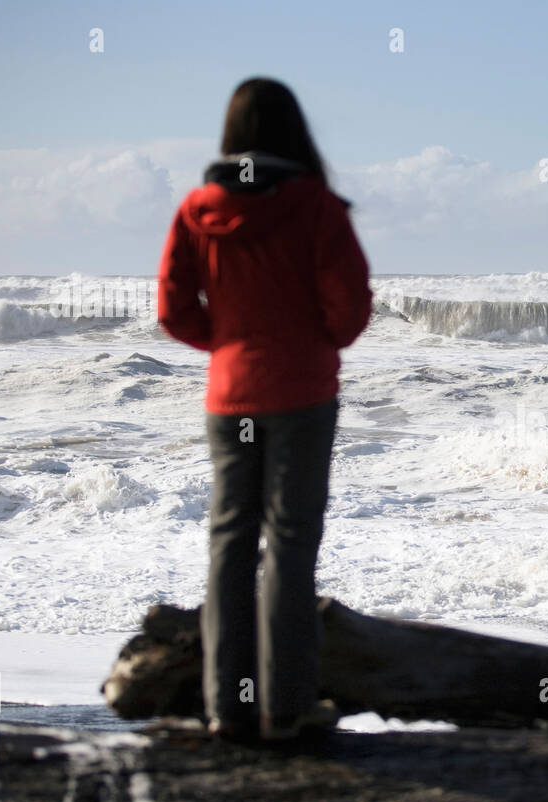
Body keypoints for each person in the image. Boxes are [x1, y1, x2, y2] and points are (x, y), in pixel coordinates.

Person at [157, 77, 372, 741]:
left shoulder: (197, 209)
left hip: (230, 396)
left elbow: (172, 309)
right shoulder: (315, 207)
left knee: (228, 542)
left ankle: (226, 707)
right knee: (289, 544)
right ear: (293, 132)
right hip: (302, 393)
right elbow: (350, 307)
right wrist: (311, 344)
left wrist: (225, 346)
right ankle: (287, 707)